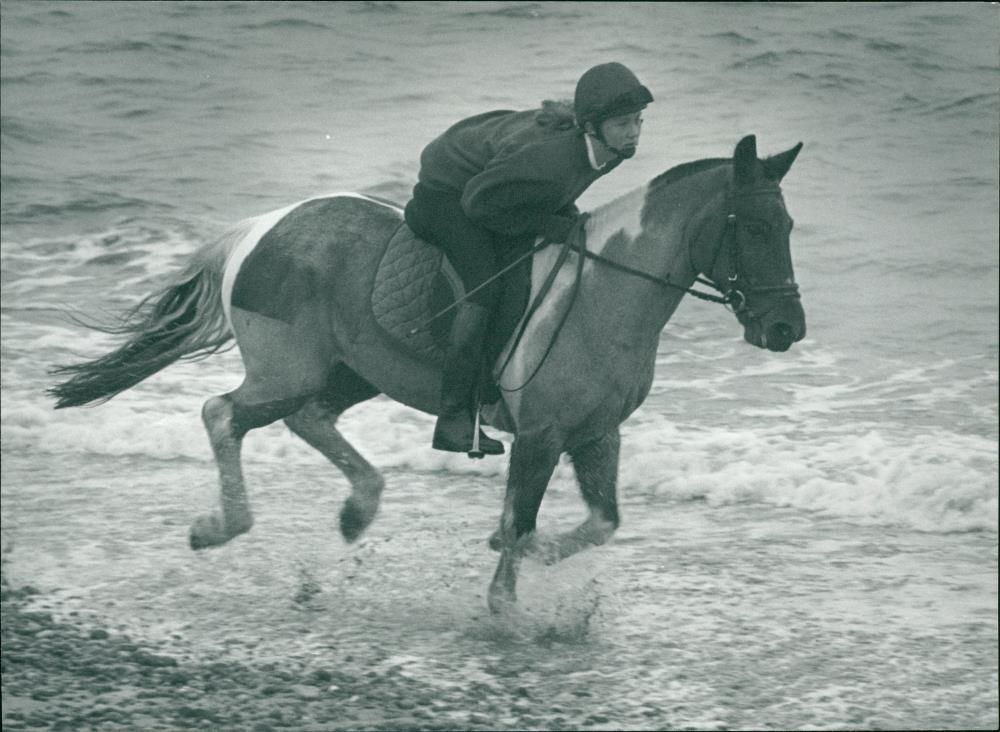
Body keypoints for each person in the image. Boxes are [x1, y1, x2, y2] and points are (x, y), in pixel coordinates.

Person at [404, 62, 653, 456]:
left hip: (493, 177)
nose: (634, 132)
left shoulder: (613, 149)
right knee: (487, 286)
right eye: (623, 124)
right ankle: (452, 418)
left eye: (638, 121)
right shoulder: (549, 161)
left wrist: (558, 216)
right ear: (592, 126)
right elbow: (477, 203)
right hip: (448, 193)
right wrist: (548, 224)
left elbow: (552, 188)